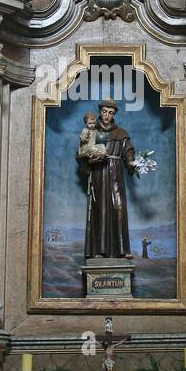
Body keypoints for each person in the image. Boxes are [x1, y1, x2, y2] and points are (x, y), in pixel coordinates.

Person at [80, 99, 137, 260]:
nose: (107, 115)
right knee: (100, 208)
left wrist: (132, 162)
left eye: (110, 112)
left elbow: (128, 151)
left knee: (118, 207)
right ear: (100, 111)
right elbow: (82, 151)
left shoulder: (121, 133)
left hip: (116, 173)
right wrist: (89, 159)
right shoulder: (92, 131)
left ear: (114, 114)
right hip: (98, 172)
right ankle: (100, 251)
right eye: (104, 111)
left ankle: (122, 250)